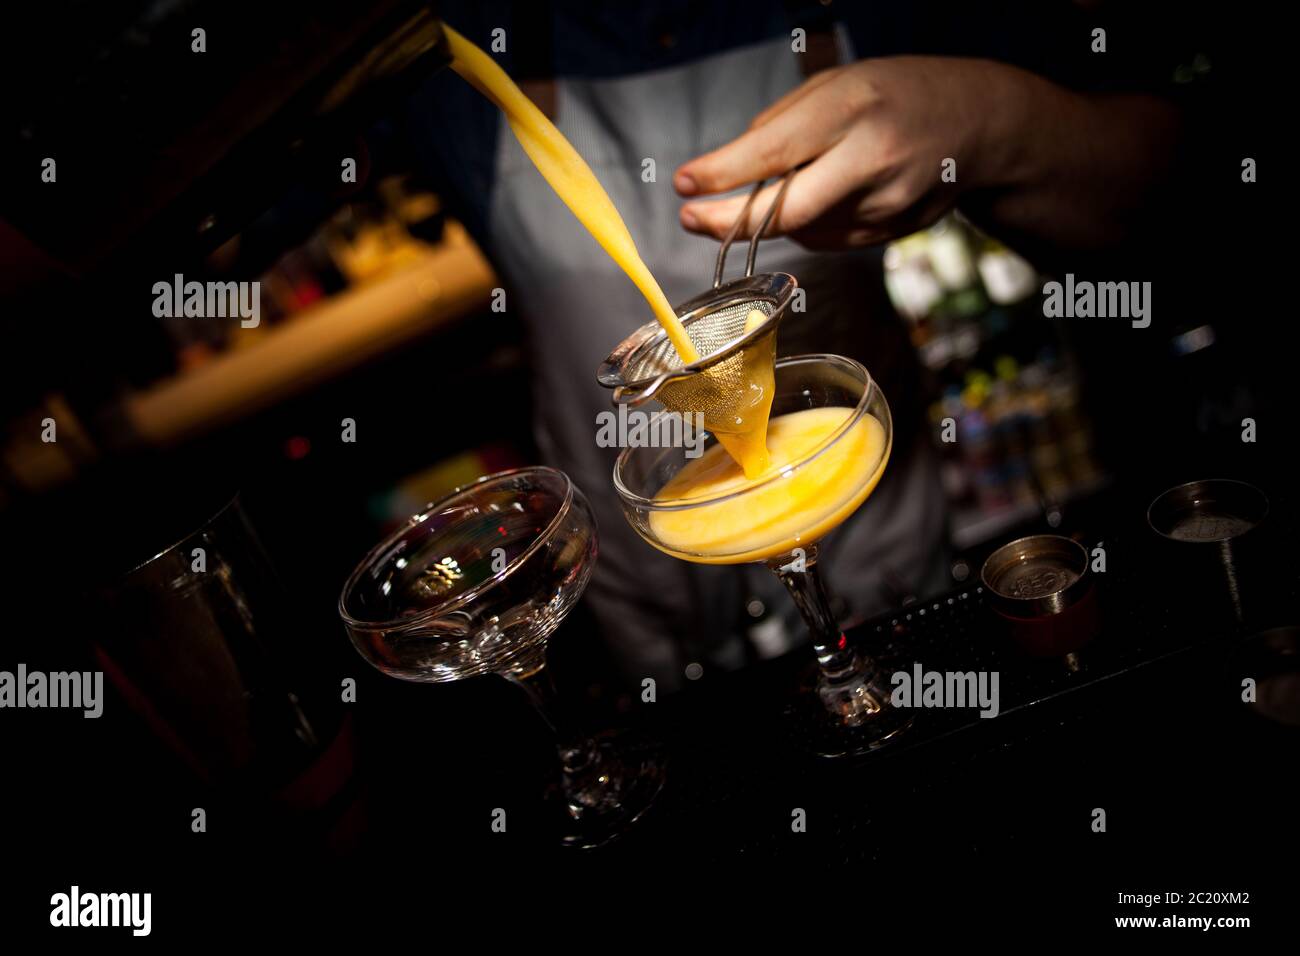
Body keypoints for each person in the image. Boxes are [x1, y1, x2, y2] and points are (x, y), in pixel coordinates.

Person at [405, 1, 1188, 689]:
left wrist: (986, 120)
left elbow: (1161, 196)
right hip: (646, 599)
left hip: (888, 563)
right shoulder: (447, 36)